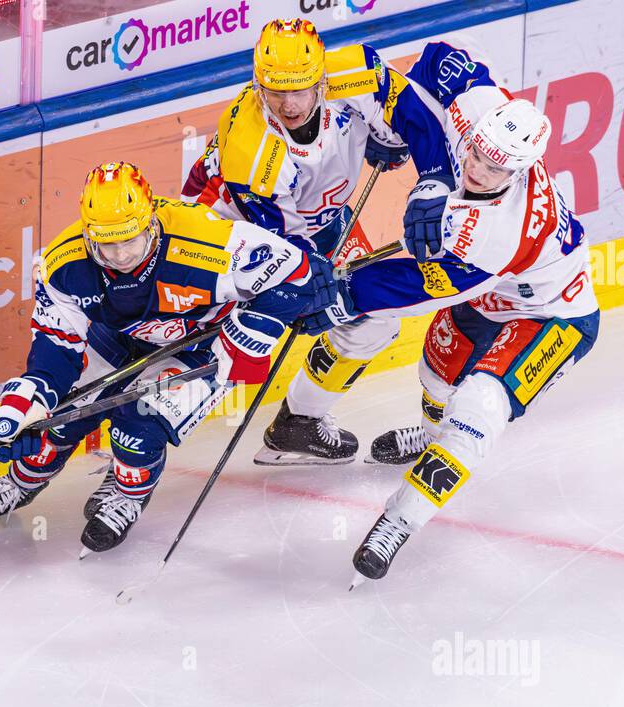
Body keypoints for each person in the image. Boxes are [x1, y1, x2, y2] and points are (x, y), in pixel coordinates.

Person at [282, 42, 601, 584]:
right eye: (474, 153)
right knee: (435, 371)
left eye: (490, 166)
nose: (474, 167)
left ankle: (399, 521)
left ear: (521, 171)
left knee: (477, 404)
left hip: (554, 313)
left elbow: (423, 286)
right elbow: (436, 61)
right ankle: (432, 436)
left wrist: (345, 293)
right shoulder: (484, 112)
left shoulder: (502, 232)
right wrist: (400, 137)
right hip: (488, 297)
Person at [0, 161, 340, 554]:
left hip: (197, 344)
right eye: (107, 244)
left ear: (151, 223)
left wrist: (265, 321)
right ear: (88, 234)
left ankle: (128, 495)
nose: (120, 255)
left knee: (138, 426)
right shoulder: (63, 265)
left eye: (129, 240)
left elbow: (296, 271)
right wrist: (33, 396)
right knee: (61, 417)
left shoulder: (207, 240)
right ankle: (21, 483)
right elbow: (56, 346)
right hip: (117, 336)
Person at [181, 17, 453, 465]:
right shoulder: (252, 149)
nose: (288, 104)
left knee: (375, 319)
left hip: (320, 219)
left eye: (299, 89)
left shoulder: (358, 70)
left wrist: (431, 176)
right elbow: (284, 246)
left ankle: (297, 423)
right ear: (257, 84)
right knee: (214, 345)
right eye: (275, 90)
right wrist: (308, 291)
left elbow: (414, 115)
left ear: (322, 78)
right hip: (228, 234)